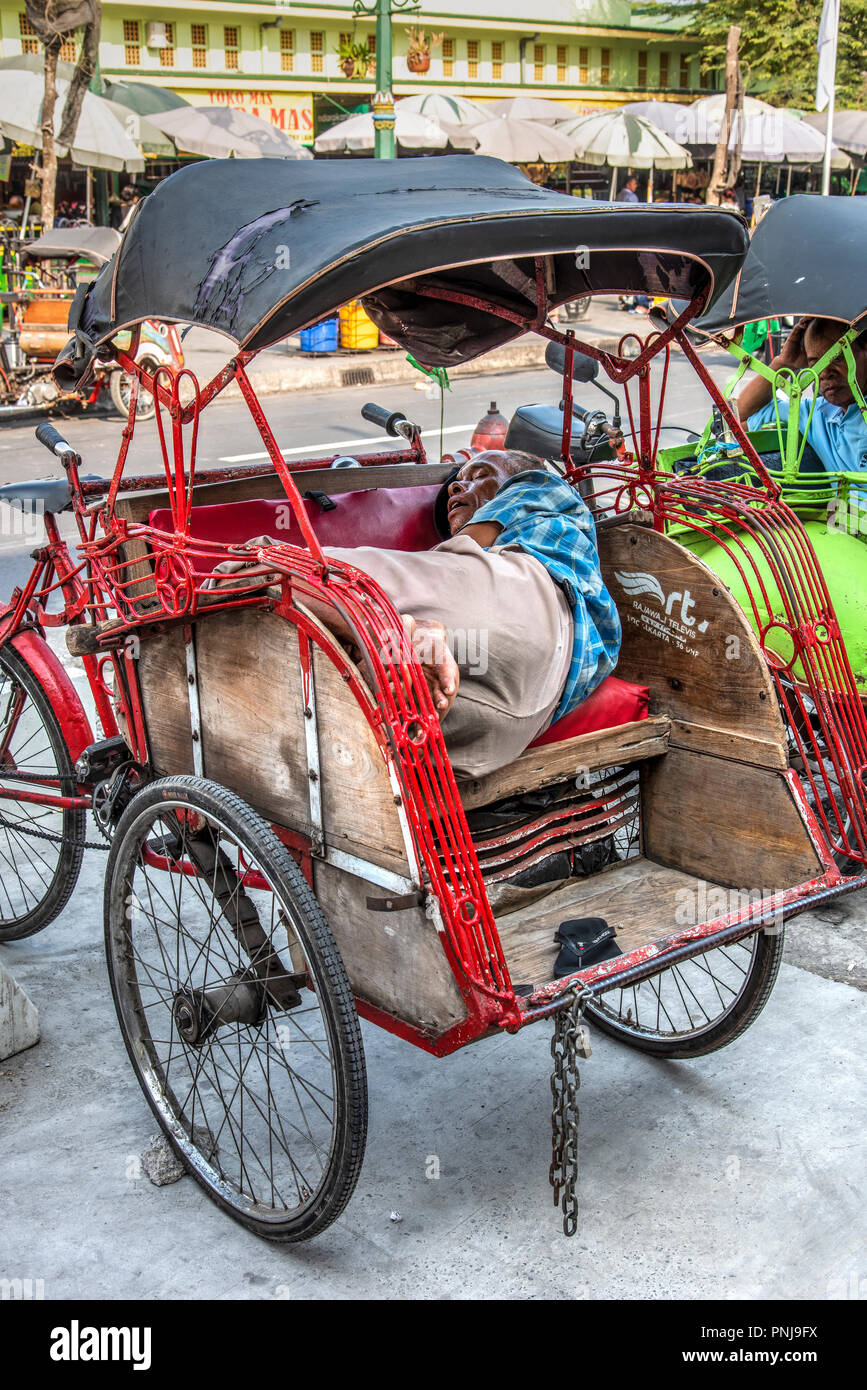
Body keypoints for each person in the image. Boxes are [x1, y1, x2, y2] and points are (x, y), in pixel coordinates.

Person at [207, 450, 622, 779]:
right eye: (459, 479)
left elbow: (465, 553)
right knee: (382, 692)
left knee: (262, 562)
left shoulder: (538, 486)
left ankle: (381, 625)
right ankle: (391, 640)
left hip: (525, 607)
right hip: (517, 711)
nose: (460, 484)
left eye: (478, 474)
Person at [737, 316, 867, 473]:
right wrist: (783, 362)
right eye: (815, 364)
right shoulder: (816, 414)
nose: (825, 373)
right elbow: (737, 418)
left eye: (837, 357)